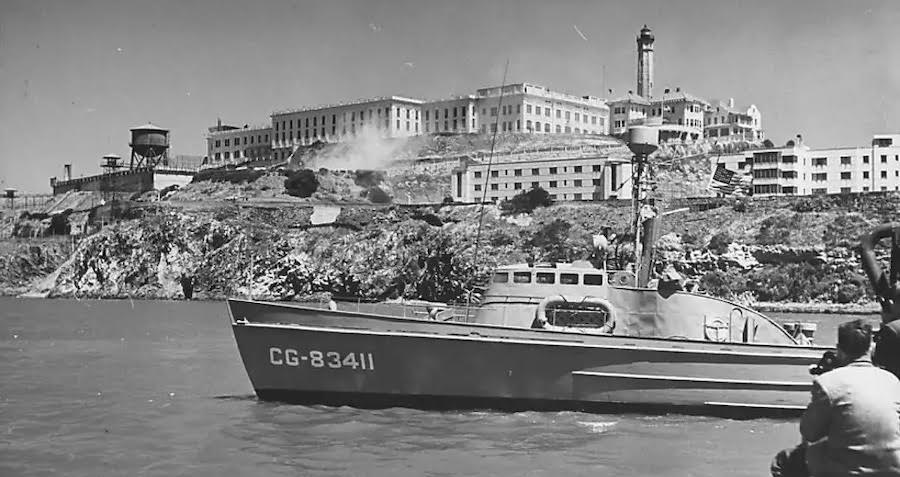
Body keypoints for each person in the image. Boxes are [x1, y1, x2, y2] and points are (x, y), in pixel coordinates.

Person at [771, 319, 900, 477]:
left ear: (839, 350)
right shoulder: (892, 381)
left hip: (849, 471)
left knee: (784, 460)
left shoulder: (828, 382)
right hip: (893, 469)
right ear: (869, 349)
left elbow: (809, 433)